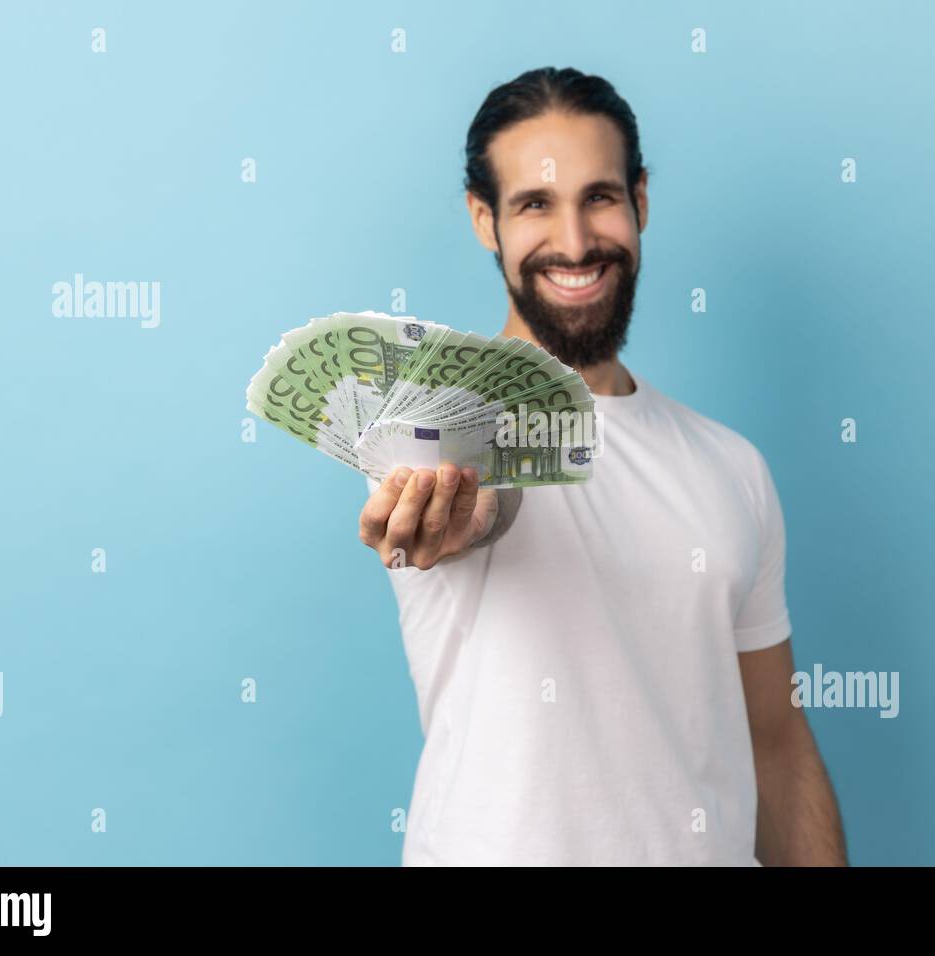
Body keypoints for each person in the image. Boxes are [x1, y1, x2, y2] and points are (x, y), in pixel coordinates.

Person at [358, 66, 847, 866]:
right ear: (486, 220)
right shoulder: (433, 427)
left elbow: (776, 743)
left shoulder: (732, 468)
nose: (577, 243)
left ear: (640, 202)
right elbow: (478, 508)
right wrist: (448, 515)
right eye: (535, 205)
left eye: (599, 197)